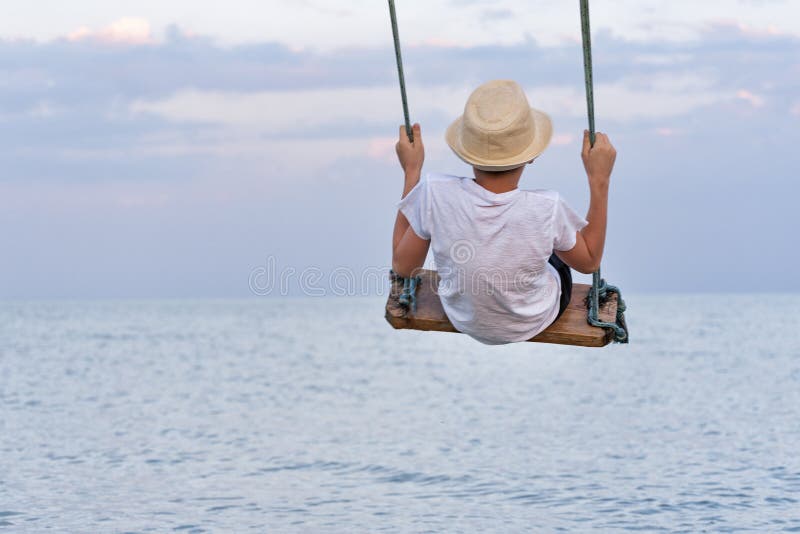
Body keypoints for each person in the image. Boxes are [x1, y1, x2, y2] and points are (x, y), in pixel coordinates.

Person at [391, 79, 616, 345]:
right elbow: (589, 262)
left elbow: (403, 267)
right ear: (531, 154)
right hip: (534, 318)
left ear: (466, 153)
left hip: (464, 317)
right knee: (552, 245)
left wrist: (411, 173)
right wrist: (599, 180)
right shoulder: (547, 207)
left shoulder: (434, 192)